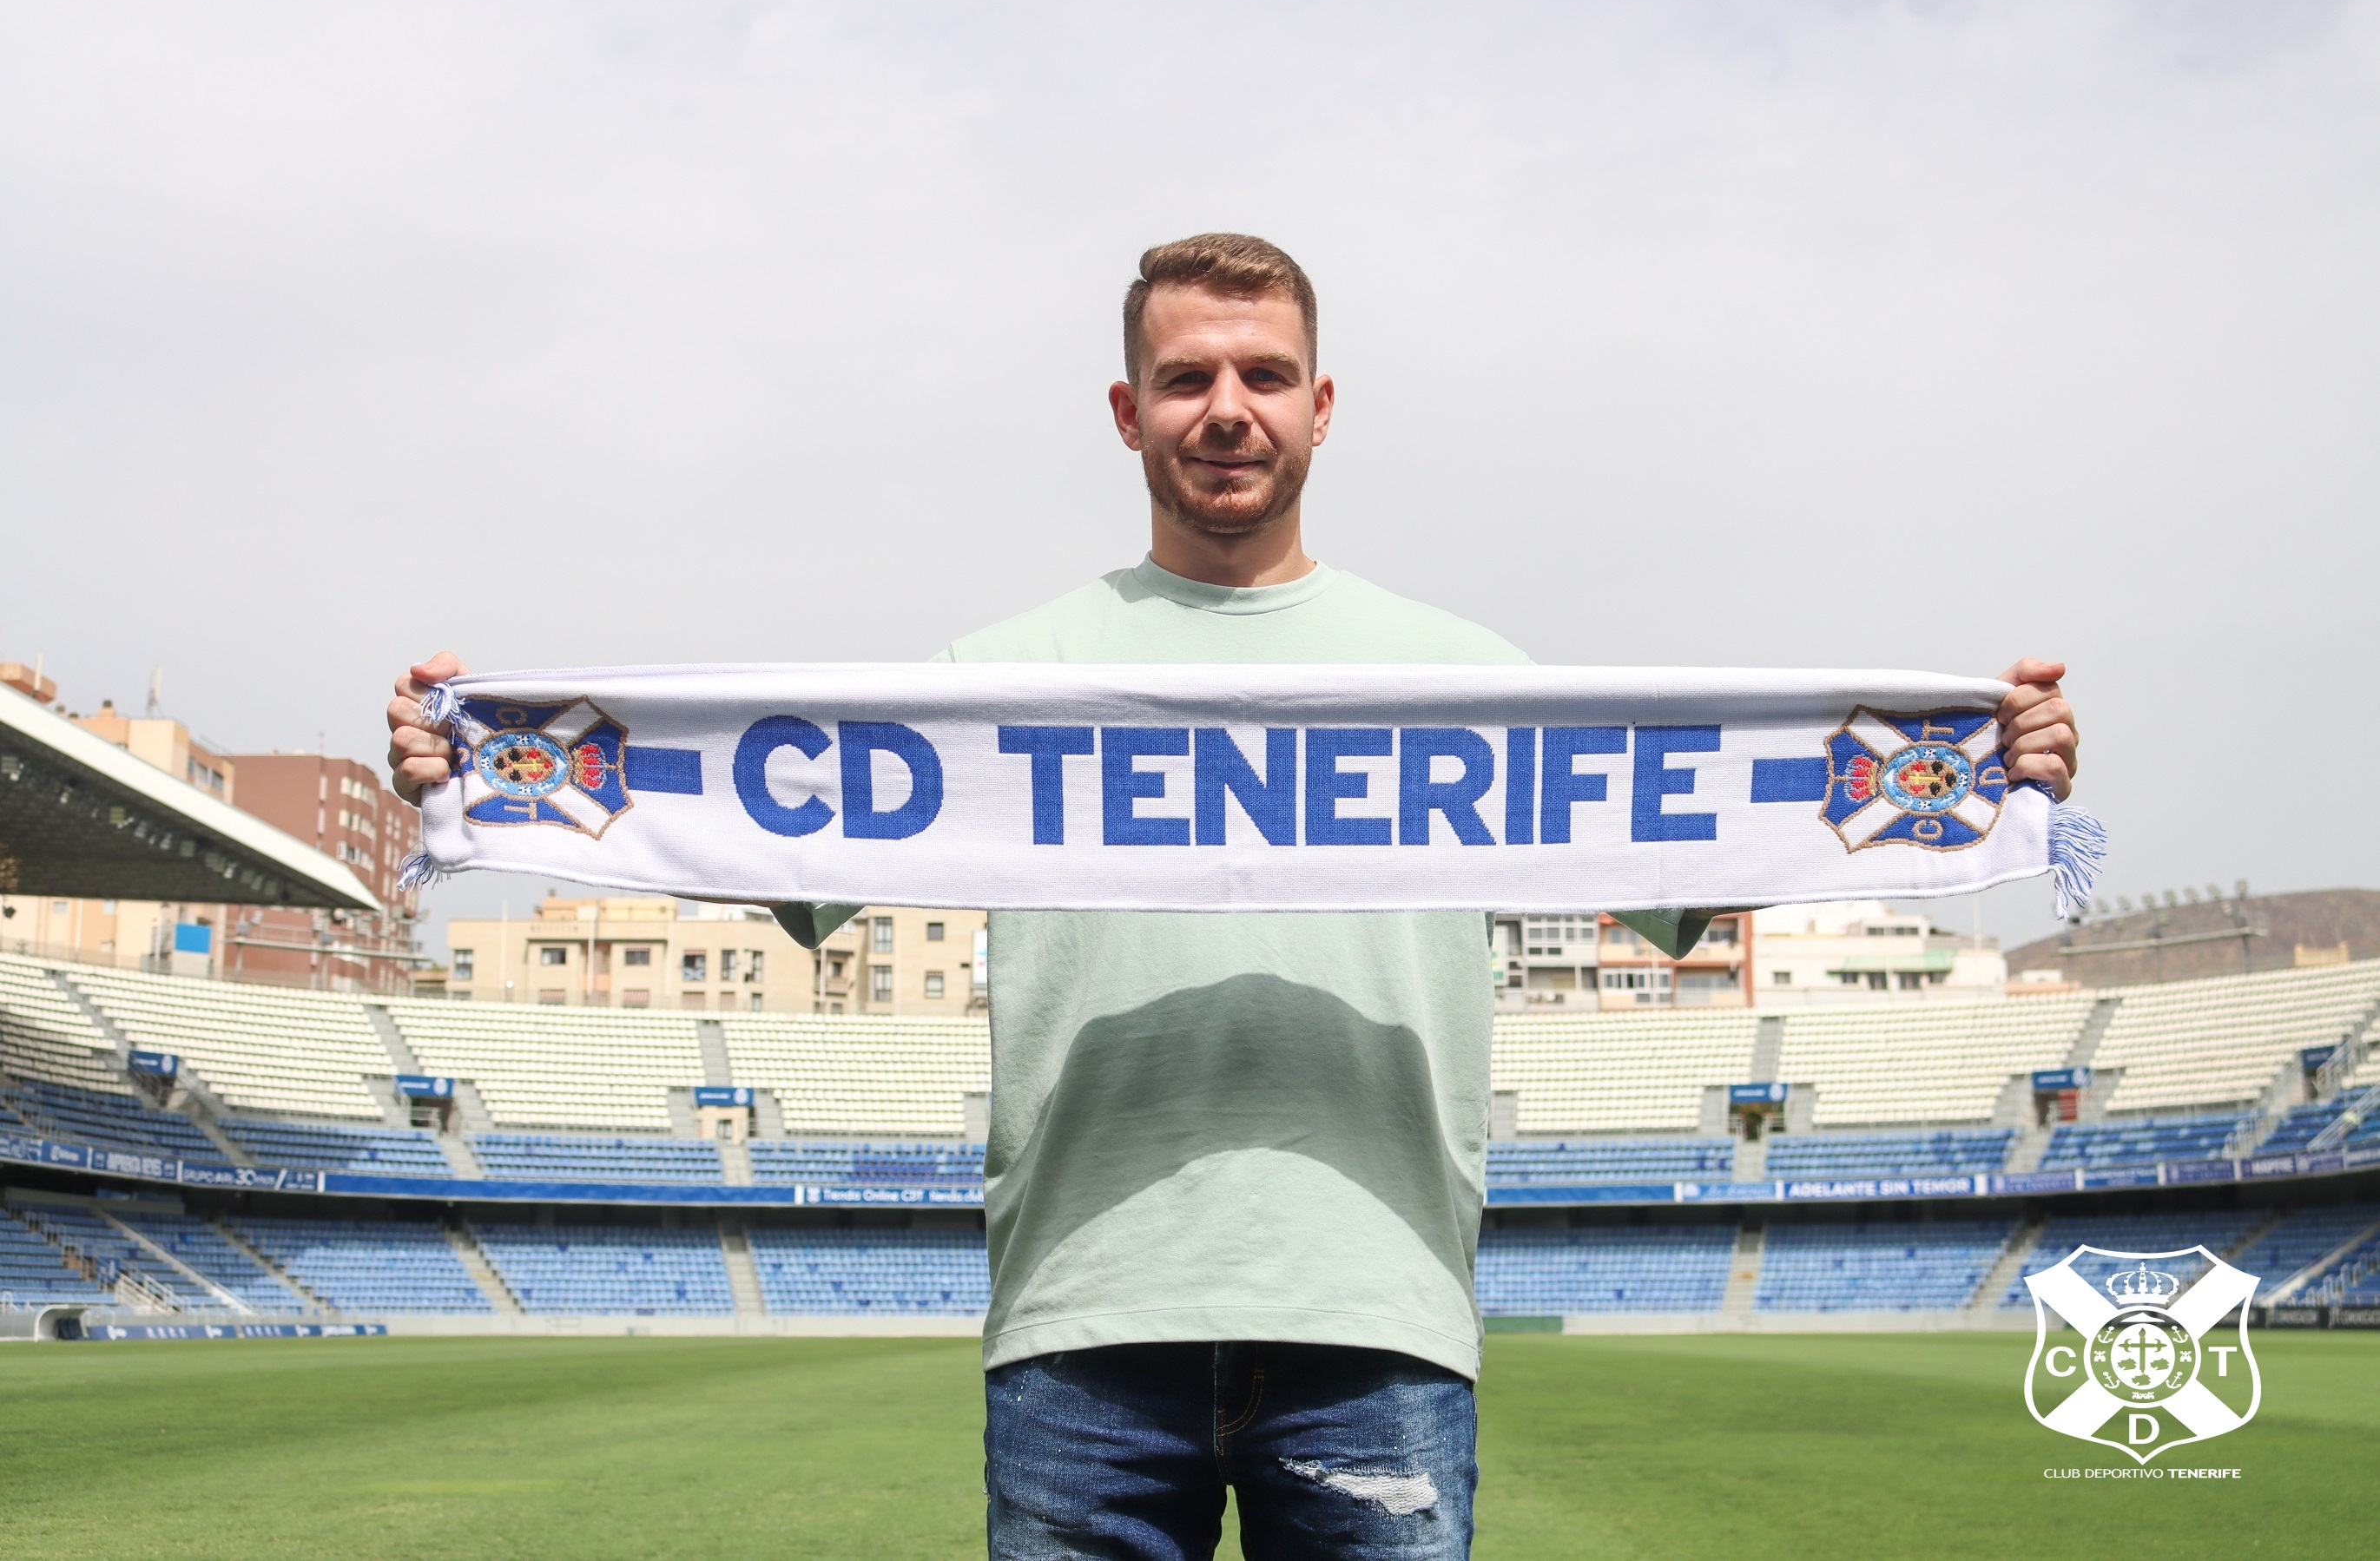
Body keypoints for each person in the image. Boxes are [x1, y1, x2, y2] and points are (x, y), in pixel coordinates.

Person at [386, 234, 2081, 1559]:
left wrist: (1991, 770)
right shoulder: (996, 682)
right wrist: (478, 762)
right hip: (1082, 1318)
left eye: (1266, 372)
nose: (1228, 406)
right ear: (1126, 409)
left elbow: (1705, 867)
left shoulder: (1473, 685)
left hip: (1377, 1313)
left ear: (1323, 405)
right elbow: (752, 832)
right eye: (1187, 374)